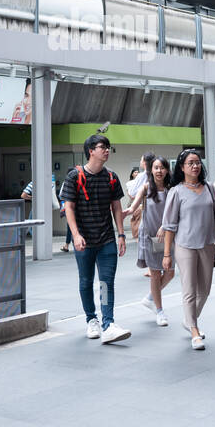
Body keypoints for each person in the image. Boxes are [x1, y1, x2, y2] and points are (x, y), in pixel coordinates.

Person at [59, 134, 131, 344]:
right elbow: (69, 207)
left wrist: (121, 234)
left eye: (108, 147)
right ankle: (91, 319)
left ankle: (108, 323)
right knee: (86, 281)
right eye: (102, 147)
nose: (107, 150)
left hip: (107, 239)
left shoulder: (112, 177)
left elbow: (116, 207)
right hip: (83, 240)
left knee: (107, 282)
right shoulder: (75, 176)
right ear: (91, 151)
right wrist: (75, 234)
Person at [160, 149, 215, 350]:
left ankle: (189, 319)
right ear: (182, 167)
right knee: (189, 289)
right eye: (190, 163)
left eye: (197, 162)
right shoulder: (176, 191)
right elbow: (169, 225)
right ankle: (195, 330)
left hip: (207, 244)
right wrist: (166, 254)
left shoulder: (208, 188)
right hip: (185, 245)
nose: (195, 166)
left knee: (204, 290)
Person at [130, 156, 174, 327]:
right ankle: (160, 310)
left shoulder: (172, 189)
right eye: (156, 168)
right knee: (155, 273)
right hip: (150, 235)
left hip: (168, 235)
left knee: (169, 272)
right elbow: (134, 205)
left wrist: (165, 226)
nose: (159, 171)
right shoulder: (147, 187)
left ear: (167, 170)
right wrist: (128, 211)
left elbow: (174, 213)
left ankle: (150, 298)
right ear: (151, 170)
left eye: (162, 168)